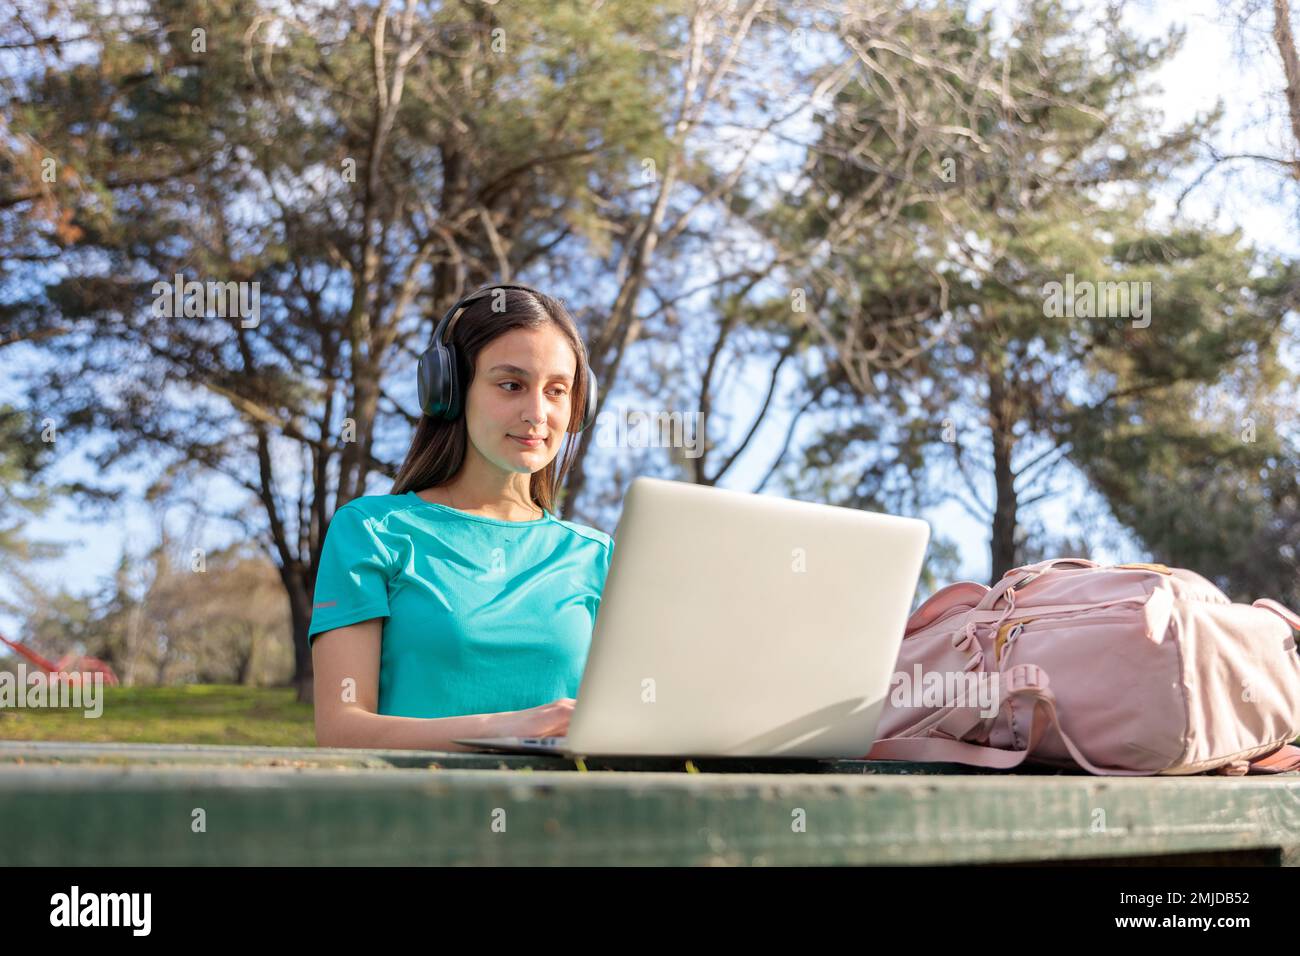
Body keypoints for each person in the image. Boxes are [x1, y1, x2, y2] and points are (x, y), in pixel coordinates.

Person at [309, 285, 612, 750]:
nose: (537, 413)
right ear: (447, 391)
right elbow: (341, 731)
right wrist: (505, 730)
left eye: (557, 391)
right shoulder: (371, 530)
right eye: (511, 384)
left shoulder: (597, 556)